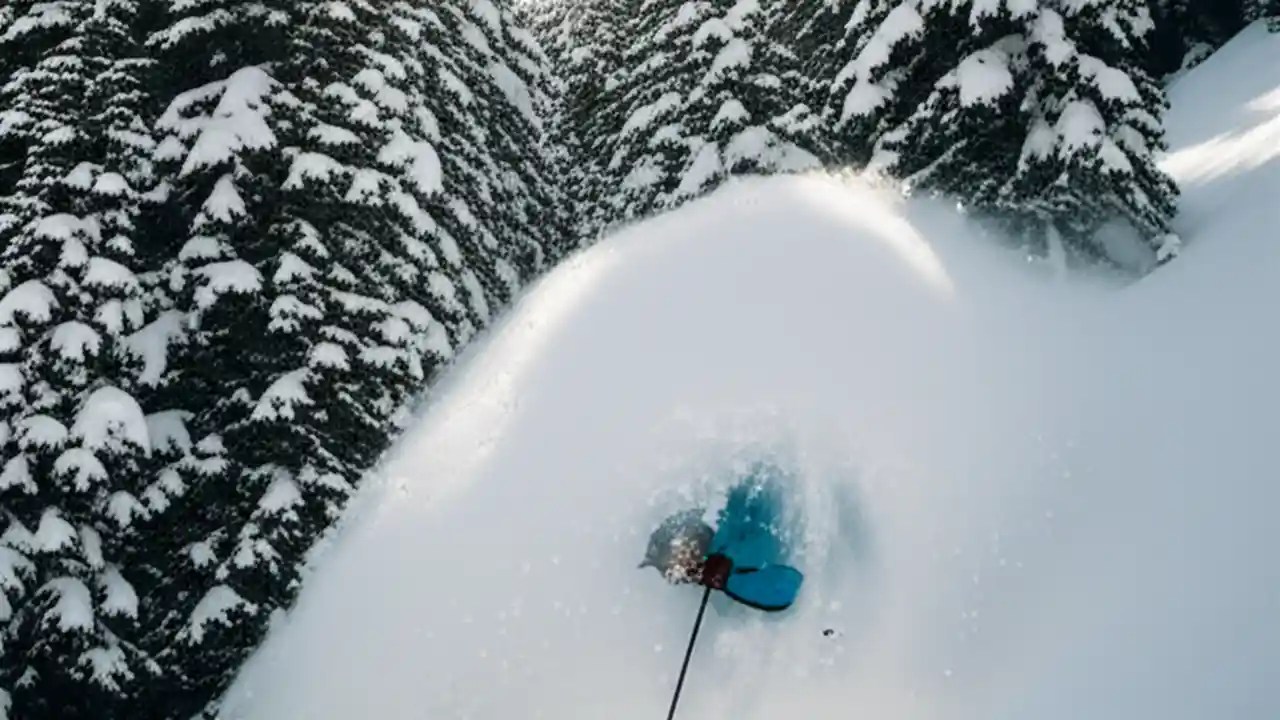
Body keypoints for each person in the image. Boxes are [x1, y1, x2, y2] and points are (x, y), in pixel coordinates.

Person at [640, 479, 803, 612]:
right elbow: (787, 590)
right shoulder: (732, 575)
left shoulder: (721, 523)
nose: (681, 578)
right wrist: (727, 576)